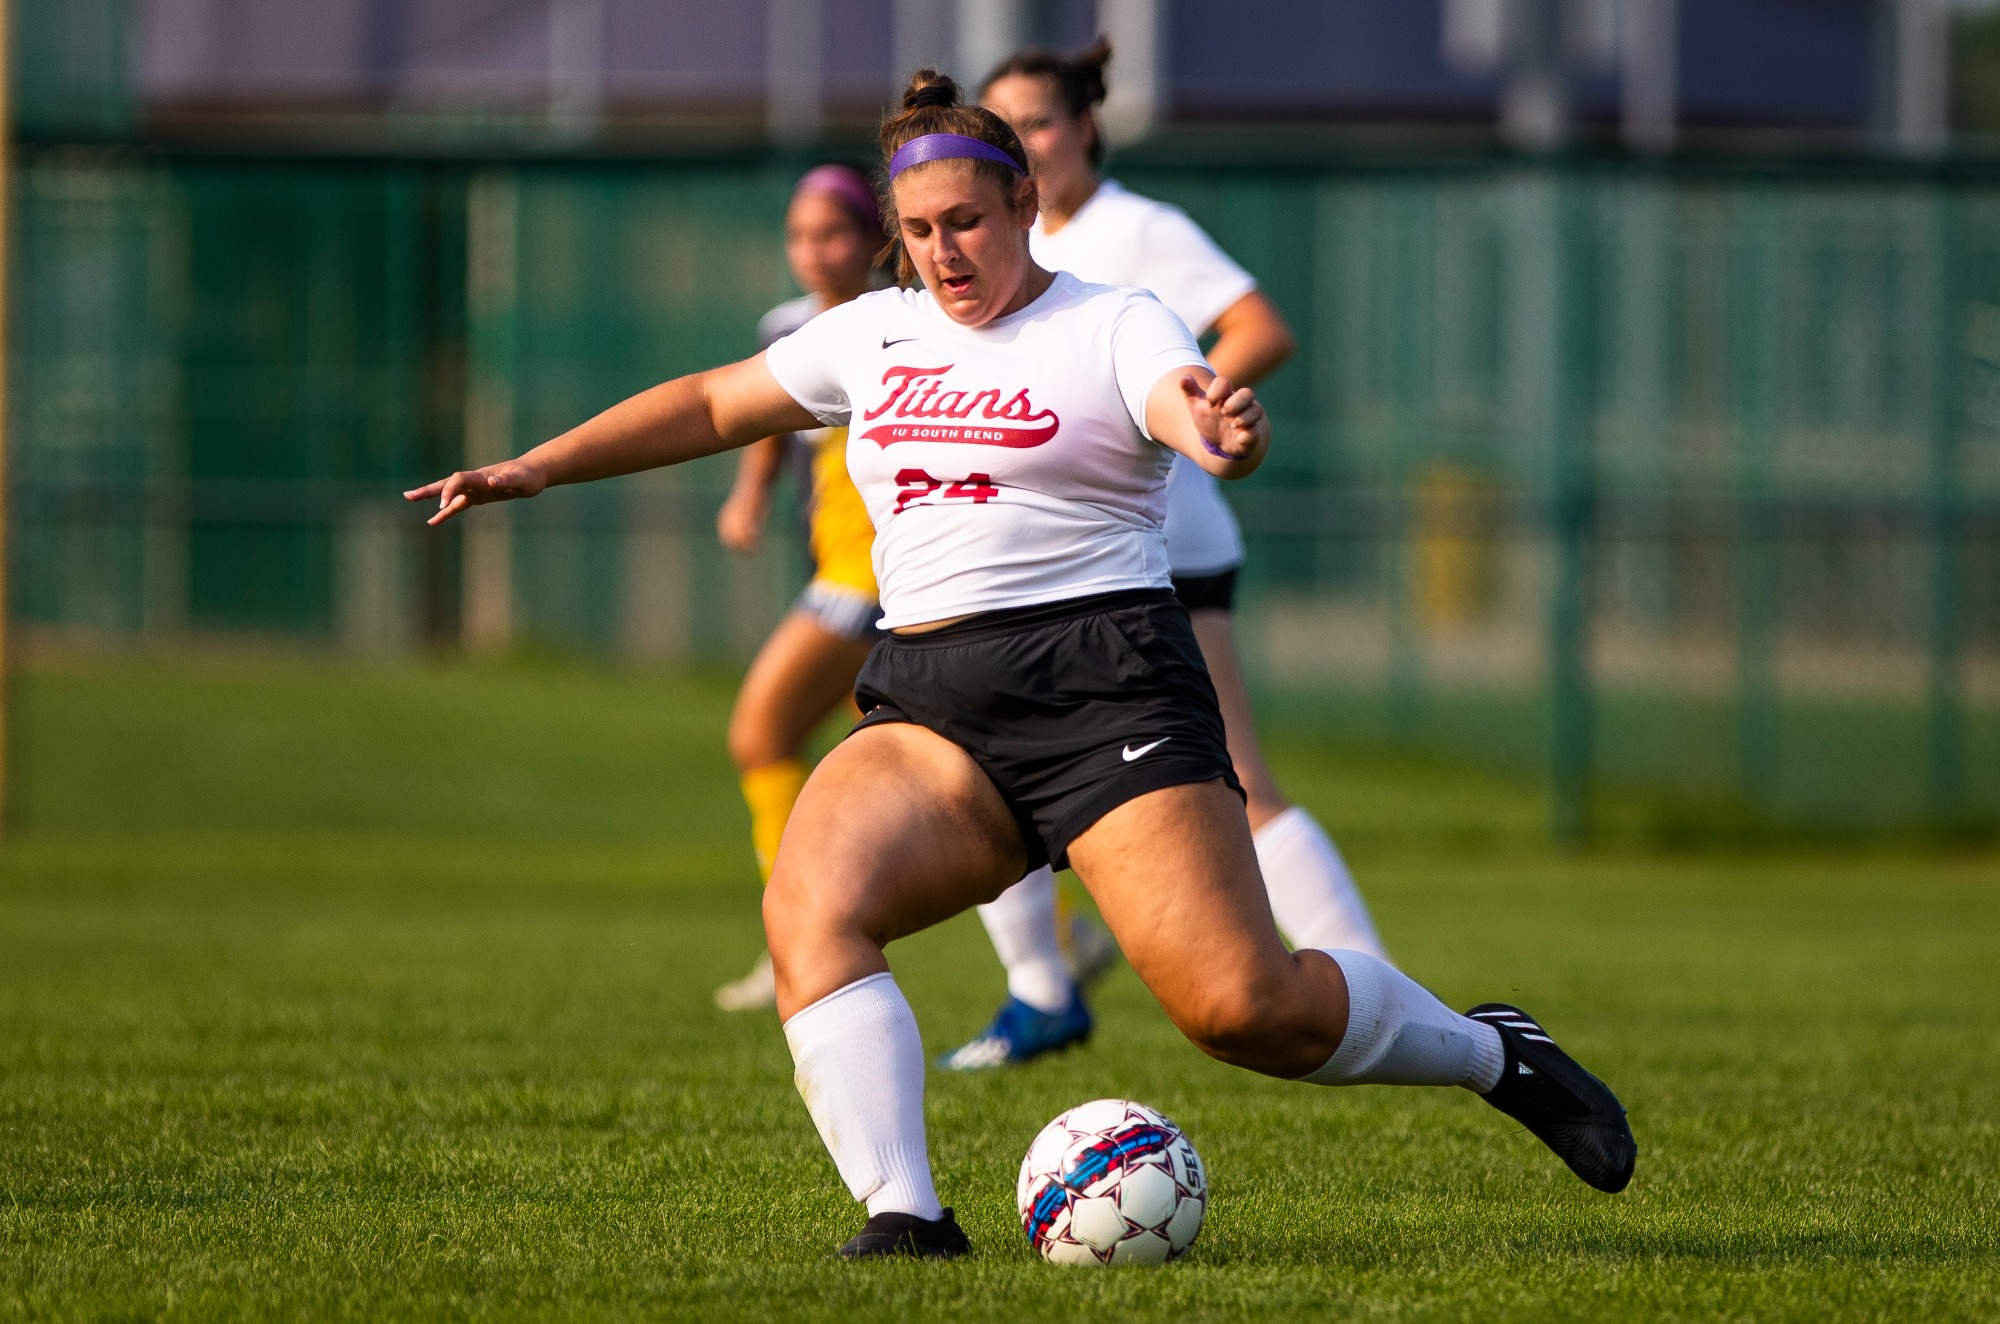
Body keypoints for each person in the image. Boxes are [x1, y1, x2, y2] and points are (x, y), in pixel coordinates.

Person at [406, 72, 1636, 1261]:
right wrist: (534, 466)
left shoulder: (1109, 319)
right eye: (919, 230)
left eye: (967, 224)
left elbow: (1180, 401)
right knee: (809, 905)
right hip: (933, 694)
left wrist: (1216, 429)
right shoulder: (872, 334)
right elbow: (711, 402)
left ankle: (1492, 1052)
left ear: (1024, 210)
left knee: (1238, 1010)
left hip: (1108, 683)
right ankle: (906, 1215)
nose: (944, 253)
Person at [936, 39, 1389, 1071]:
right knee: (983, 768)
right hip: (1049, 560)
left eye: (1042, 121)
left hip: (1156, 549)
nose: (1029, 143)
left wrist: (1175, 414)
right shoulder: (986, 249)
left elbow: (1257, 329)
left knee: (1237, 775)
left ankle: (1363, 980)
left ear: (1083, 128)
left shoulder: (1131, 231)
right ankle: (1040, 990)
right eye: (1005, 126)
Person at [711, 164, 889, 1012]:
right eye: (799, 236)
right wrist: (750, 493)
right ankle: (1061, 939)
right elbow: (765, 415)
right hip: (841, 571)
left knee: (761, 731)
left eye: (834, 234)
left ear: (876, 242)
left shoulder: (903, 322)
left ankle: (793, 940)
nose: (815, 252)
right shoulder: (787, 326)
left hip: (872, 578)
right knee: (940, 769)